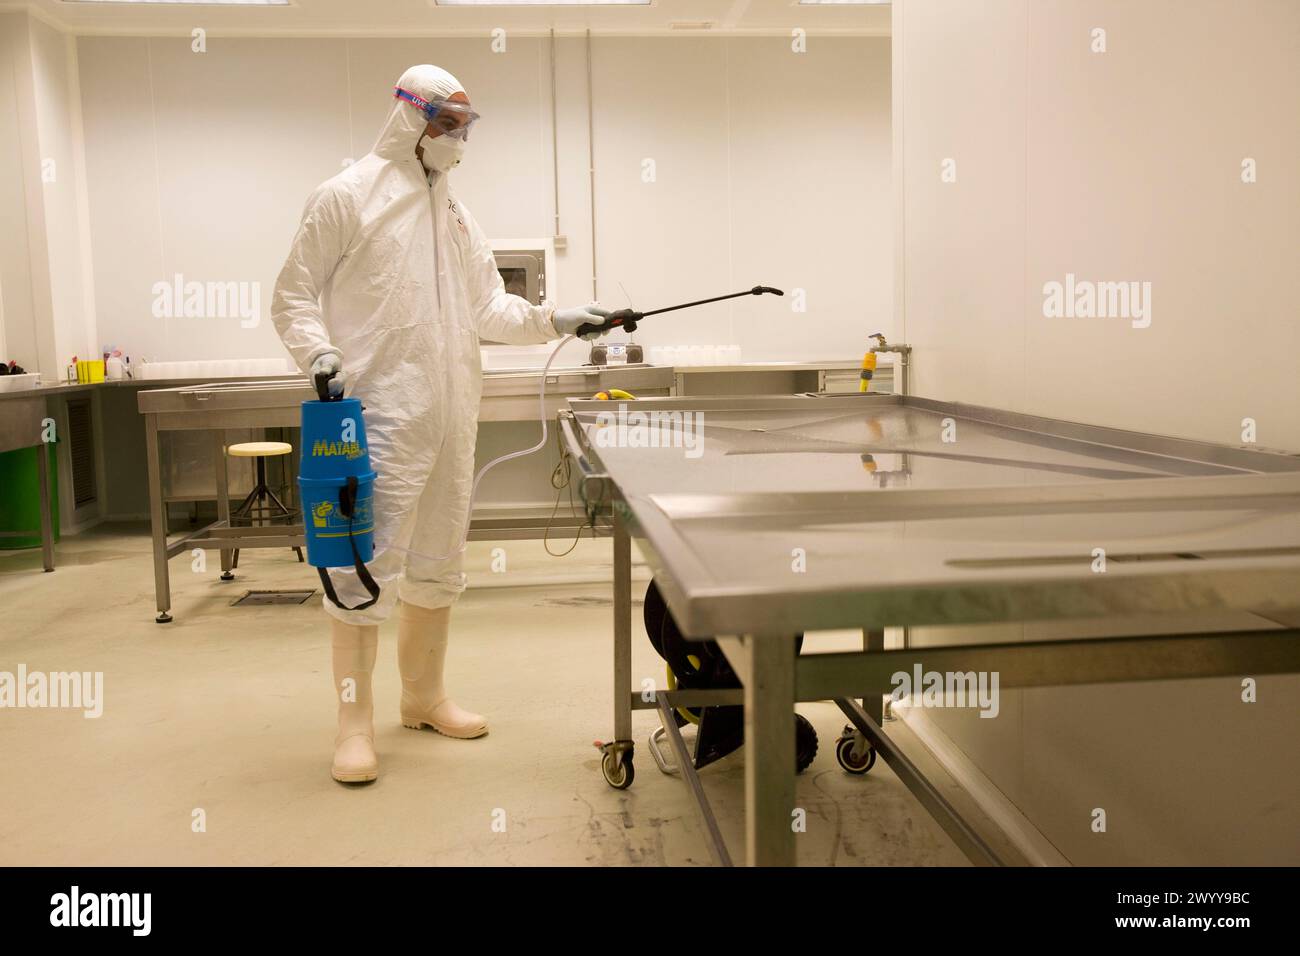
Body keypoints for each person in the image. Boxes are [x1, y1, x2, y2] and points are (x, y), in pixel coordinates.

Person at [272, 64, 610, 784]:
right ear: (410, 117)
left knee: (437, 564)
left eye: (465, 126)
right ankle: (353, 724)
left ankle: (424, 698)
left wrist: (557, 319)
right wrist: (318, 352)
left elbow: (491, 310)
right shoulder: (347, 196)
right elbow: (292, 296)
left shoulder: (456, 212)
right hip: (380, 417)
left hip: (454, 414)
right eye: (448, 124)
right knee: (360, 568)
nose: (459, 139)